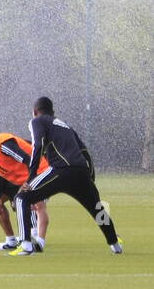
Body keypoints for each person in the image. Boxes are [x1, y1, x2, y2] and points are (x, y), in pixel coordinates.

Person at [9, 97, 122, 256]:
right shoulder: (66, 126)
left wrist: (30, 178)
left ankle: (25, 244)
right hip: (81, 172)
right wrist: (90, 178)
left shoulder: (37, 121)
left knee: (21, 198)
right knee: (97, 208)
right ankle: (115, 245)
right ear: (53, 111)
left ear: (35, 112)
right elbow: (85, 153)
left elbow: (38, 145)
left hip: (60, 169)